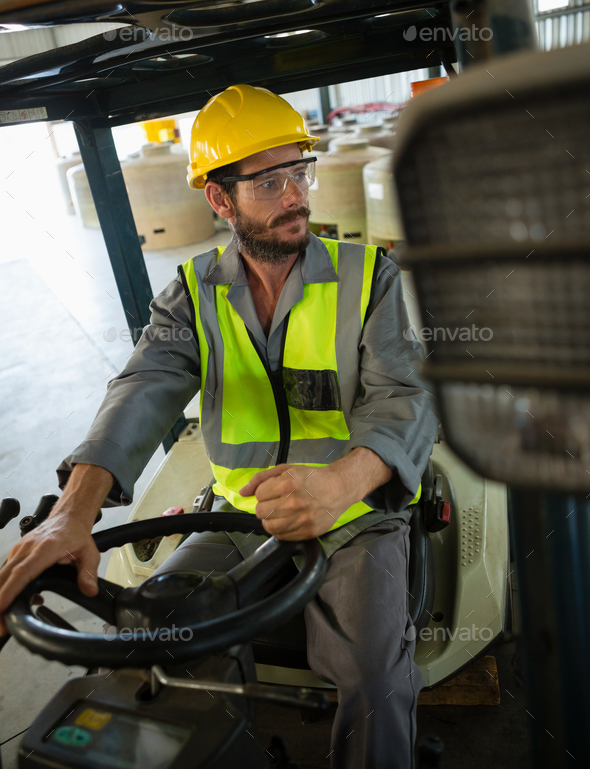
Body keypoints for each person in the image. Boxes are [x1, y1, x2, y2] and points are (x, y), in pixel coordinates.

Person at [0, 84, 439, 768]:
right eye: (269, 180)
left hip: (353, 510)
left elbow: (403, 398)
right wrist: (71, 512)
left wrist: (340, 482)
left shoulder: (367, 276)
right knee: (160, 631)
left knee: (373, 675)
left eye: (300, 171)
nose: (296, 194)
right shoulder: (191, 291)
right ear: (219, 198)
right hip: (240, 516)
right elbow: (142, 388)